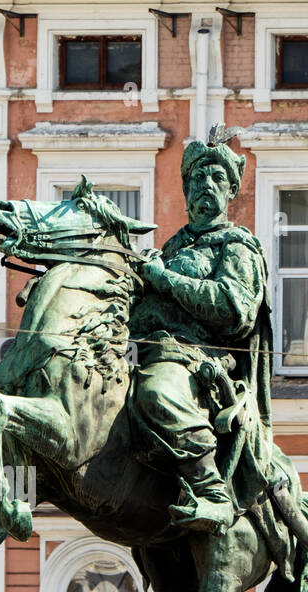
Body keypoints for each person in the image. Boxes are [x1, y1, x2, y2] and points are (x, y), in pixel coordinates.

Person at [128, 126, 275, 534]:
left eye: (217, 179)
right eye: (198, 177)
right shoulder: (170, 249)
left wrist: (164, 280)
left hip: (199, 360)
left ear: (230, 193)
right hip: (143, 351)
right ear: (186, 188)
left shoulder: (236, 246)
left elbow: (234, 309)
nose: (206, 185)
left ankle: (212, 492)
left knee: (157, 393)